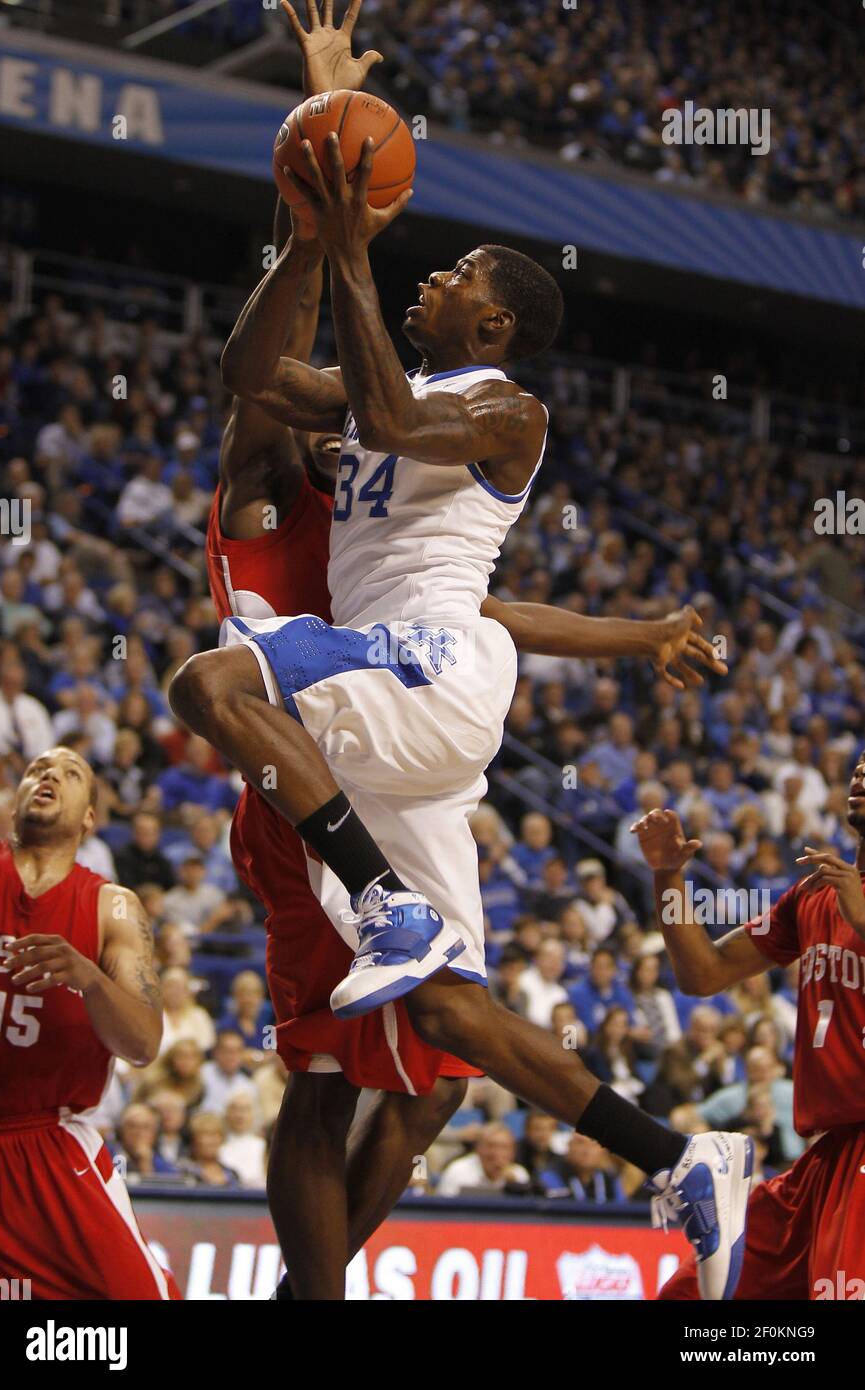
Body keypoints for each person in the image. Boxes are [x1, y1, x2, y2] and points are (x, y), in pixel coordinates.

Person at [172, 0, 746, 1301]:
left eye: (457, 280)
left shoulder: (499, 403)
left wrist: (352, 251)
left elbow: (376, 403)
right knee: (444, 1021)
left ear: (490, 329)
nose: (434, 277)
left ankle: (374, 899)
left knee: (210, 680)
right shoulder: (356, 429)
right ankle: (672, 1152)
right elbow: (257, 377)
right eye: (426, 271)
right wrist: (313, 235)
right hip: (399, 704)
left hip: (403, 680)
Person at [631, 761, 865, 1300]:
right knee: (689, 1297)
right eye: (857, 767)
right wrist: (668, 878)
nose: (860, 773)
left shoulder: (846, 897)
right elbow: (702, 974)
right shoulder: (816, 894)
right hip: (823, 1162)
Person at [0, 745, 179, 1298]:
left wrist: (89, 977)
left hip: (44, 1146)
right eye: (37, 770)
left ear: (90, 816)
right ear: (14, 798)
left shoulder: (111, 907)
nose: (48, 777)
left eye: (70, 774)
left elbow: (142, 1043)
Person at [437, 1122, 531, 1196]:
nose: (497, 1153)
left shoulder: (519, 1175)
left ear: (513, 1152)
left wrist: (513, 1186)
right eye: (491, 1146)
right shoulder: (458, 1171)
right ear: (478, 1148)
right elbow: (442, 1211)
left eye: (504, 1147)